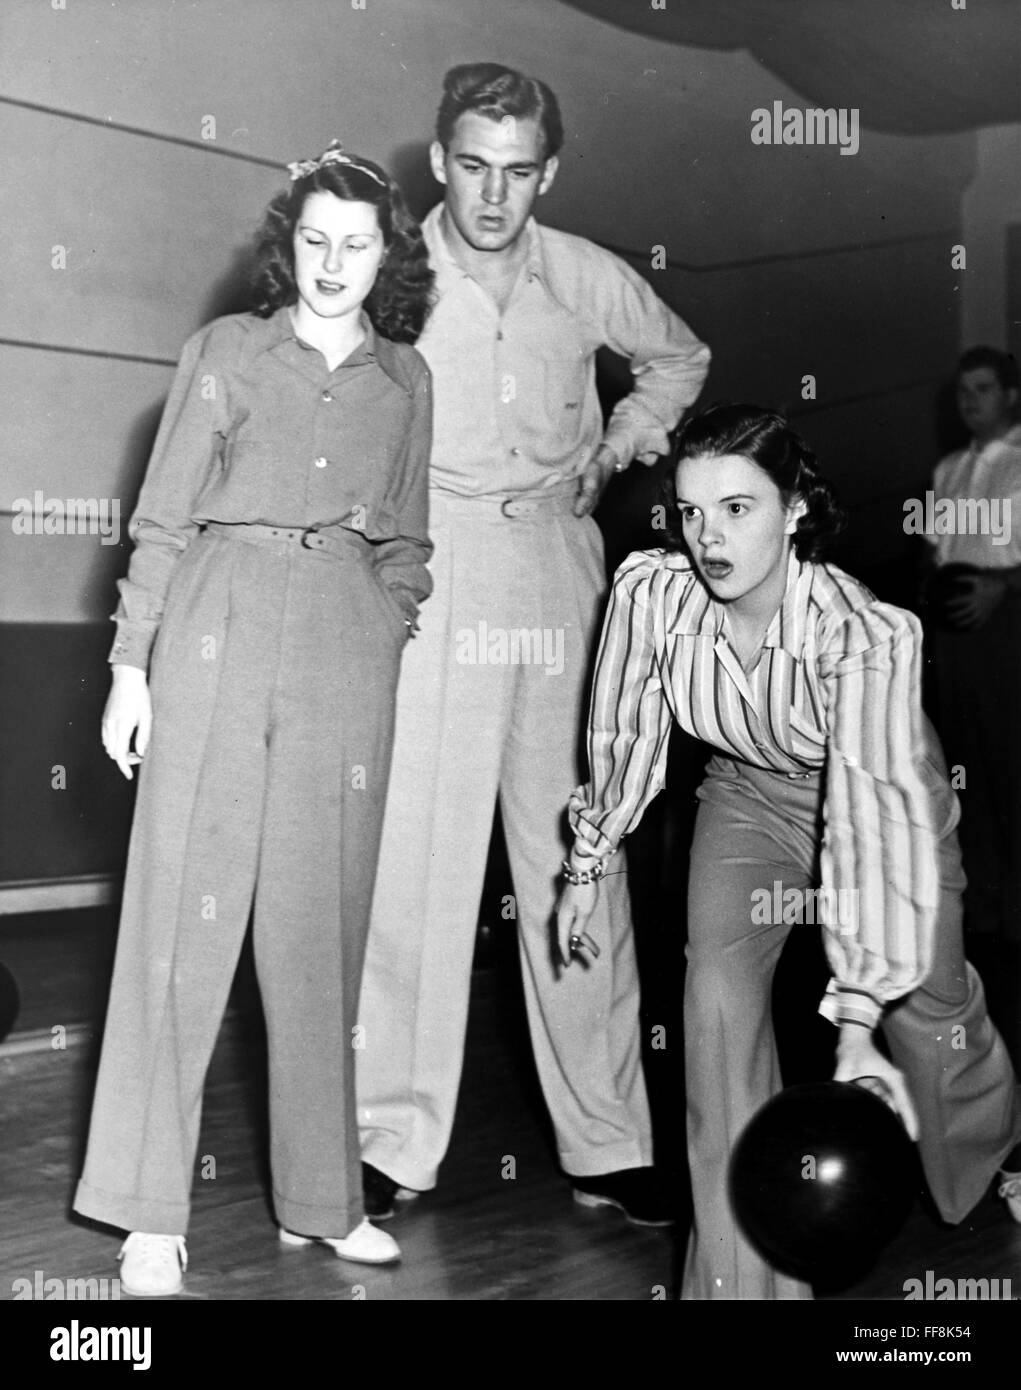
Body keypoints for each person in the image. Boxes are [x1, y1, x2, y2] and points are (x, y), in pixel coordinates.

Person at [73, 142, 434, 1296]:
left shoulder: (407, 380)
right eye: (315, 239)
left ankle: (325, 1199)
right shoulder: (224, 352)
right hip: (216, 627)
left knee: (319, 929)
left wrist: (383, 623)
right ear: (290, 245)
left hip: (344, 643)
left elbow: (410, 544)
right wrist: (134, 669)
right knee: (179, 924)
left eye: (358, 243)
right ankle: (145, 1212)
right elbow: (163, 522)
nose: (334, 264)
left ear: (389, 256)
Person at [558, 403, 1021, 1299]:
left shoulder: (860, 633)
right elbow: (624, 738)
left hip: (882, 799)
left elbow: (866, 818)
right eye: (690, 511)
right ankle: (739, 1289)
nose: (708, 537)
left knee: (926, 1013)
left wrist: (853, 1026)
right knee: (715, 1013)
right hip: (746, 796)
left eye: (737, 508)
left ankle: (997, 1140)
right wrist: (587, 866)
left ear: (794, 509)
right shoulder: (652, 595)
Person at [356, 63, 710, 1226]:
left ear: (546, 172)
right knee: (418, 862)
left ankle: (607, 1144)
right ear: (437, 161)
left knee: (578, 854)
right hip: (438, 569)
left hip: (558, 570)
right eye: (470, 167)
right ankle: (389, 1143)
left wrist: (622, 444)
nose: (493, 195)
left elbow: (678, 358)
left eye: (517, 172)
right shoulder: (395, 269)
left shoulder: (584, 273)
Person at [922, 346, 1021, 945]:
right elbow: (933, 555)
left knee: (1012, 769)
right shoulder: (948, 469)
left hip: (1009, 632)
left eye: (982, 389)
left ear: (1011, 395)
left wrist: (1002, 586)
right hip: (955, 640)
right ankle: (985, 917)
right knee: (963, 776)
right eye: (963, 391)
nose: (969, 402)